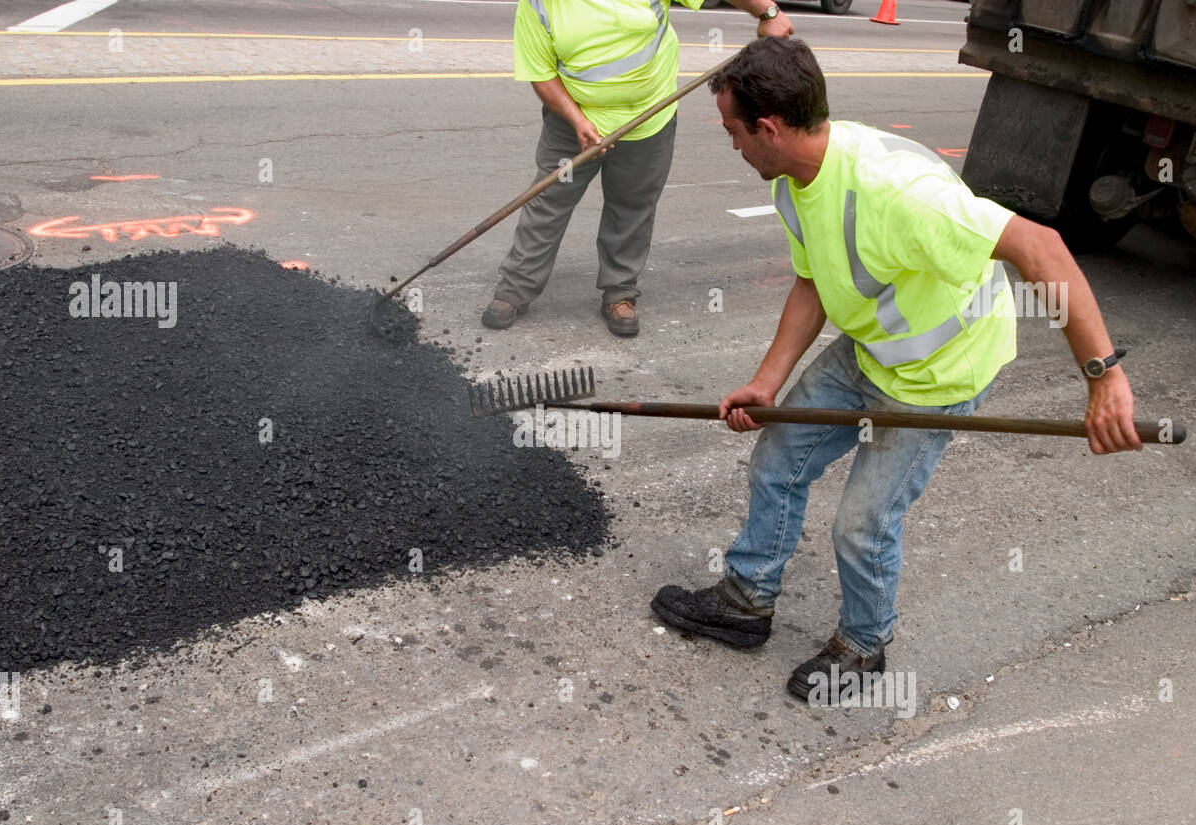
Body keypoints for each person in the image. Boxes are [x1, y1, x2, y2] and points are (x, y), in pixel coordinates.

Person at [650, 37, 1142, 701]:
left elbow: (1041, 247)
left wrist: (1104, 376)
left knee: (862, 523)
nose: (734, 146)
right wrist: (767, 382)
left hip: (937, 377)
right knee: (778, 459)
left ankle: (863, 646)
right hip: (868, 350)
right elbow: (814, 281)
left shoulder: (897, 193)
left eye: (735, 132)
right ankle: (746, 599)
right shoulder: (799, 182)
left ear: (768, 128)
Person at [483, 0, 793, 338]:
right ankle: (515, 288)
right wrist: (577, 121)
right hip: (571, 124)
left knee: (631, 207)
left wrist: (768, 12)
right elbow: (540, 72)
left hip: (648, 120)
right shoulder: (540, 4)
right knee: (547, 202)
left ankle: (619, 293)